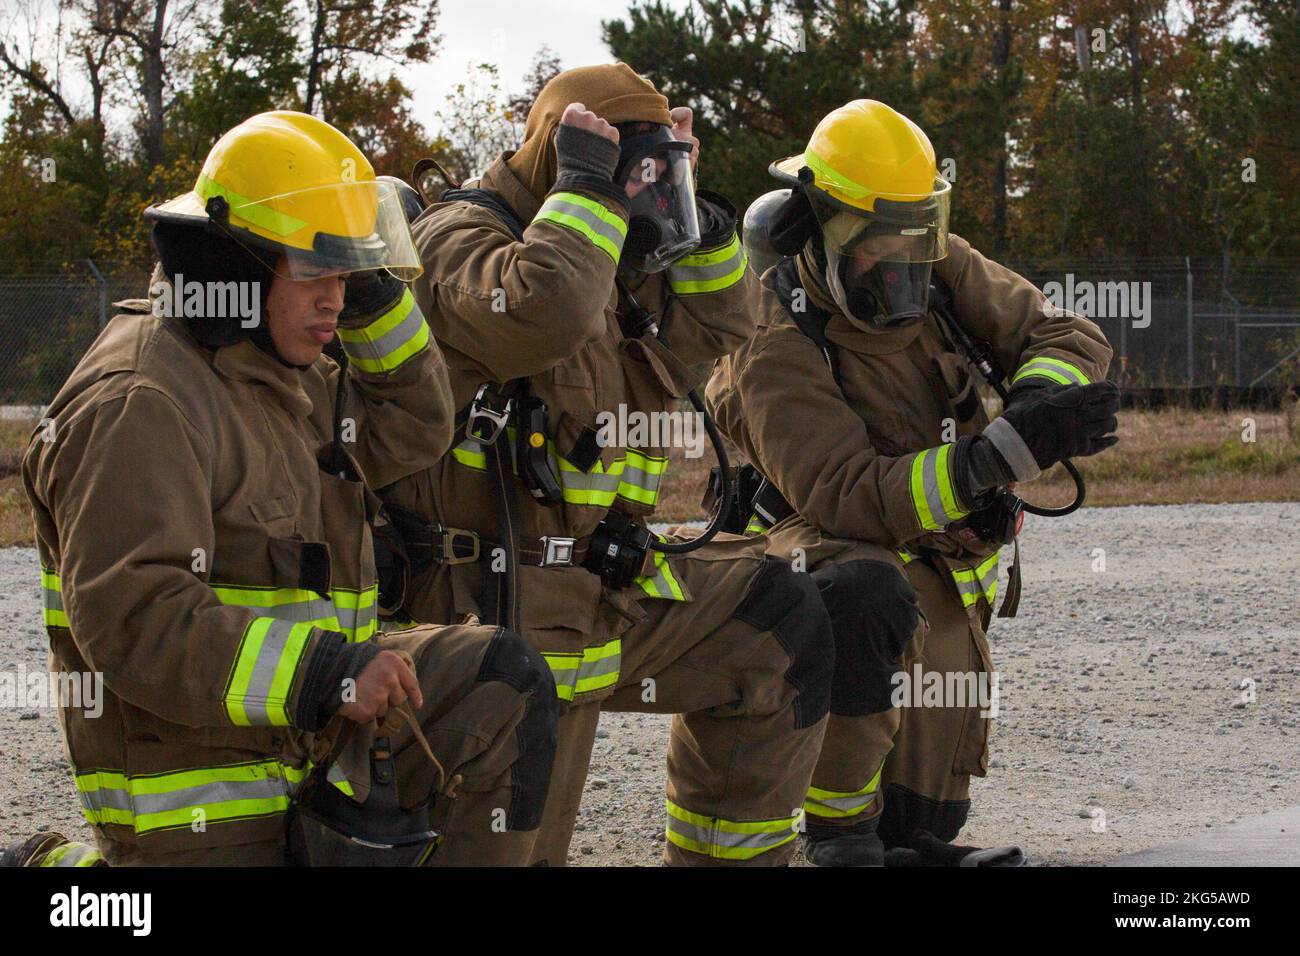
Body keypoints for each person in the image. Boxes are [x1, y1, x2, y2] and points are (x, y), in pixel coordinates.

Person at [13, 111, 558, 867]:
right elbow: (133, 617)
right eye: (316, 273)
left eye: (347, 277)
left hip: (311, 737)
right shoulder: (141, 400)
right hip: (201, 787)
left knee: (502, 681)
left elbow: (417, 428)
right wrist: (327, 675)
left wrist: (370, 298)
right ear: (233, 270)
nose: (335, 299)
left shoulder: (279, 367)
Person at [379, 63, 836, 866]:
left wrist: (691, 207)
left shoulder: (620, 257)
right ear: (566, 161)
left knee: (781, 621)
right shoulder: (456, 237)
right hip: (491, 604)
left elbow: (729, 319)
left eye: (654, 178)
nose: (639, 198)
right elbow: (539, 314)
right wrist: (592, 193)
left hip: (606, 593)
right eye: (633, 175)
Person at [707, 99, 1119, 866]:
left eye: (914, 237)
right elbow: (847, 491)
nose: (900, 265)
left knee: (927, 815)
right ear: (817, 227)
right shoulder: (768, 336)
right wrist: (993, 459)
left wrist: (1036, 403)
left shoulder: (935, 259)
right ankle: (838, 841)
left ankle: (886, 839)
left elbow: (1067, 333)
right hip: (822, 546)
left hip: (938, 565)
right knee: (863, 595)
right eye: (873, 245)